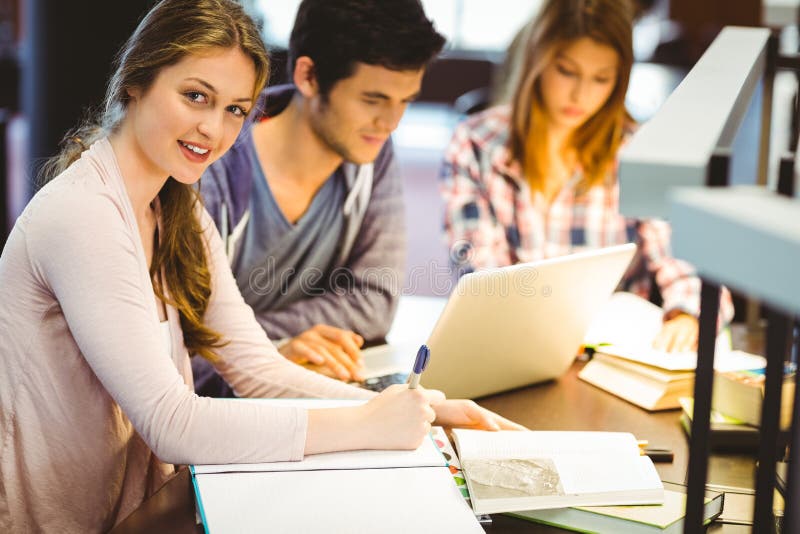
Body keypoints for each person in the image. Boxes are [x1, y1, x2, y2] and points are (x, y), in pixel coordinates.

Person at [0, 1, 521, 530]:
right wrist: (367, 422)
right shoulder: (84, 214)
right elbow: (172, 422)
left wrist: (418, 405)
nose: (213, 129)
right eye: (195, 96)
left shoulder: (174, 204)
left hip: (139, 507)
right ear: (136, 83)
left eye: (234, 110)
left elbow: (256, 368)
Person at [440, 0, 733, 353]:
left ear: (621, 79)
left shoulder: (637, 152)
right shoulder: (476, 144)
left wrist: (687, 315)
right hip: (515, 350)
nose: (580, 94)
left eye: (601, 78)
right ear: (538, 60)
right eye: (567, 71)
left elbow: (686, 264)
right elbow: (482, 283)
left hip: (611, 359)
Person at [194, 0, 446, 391]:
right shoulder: (213, 163)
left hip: (303, 386)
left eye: (405, 102)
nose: (391, 123)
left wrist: (250, 345)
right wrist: (264, 353)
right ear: (308, 76)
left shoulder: (370, 149)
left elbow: (374, 303)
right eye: (373, 100)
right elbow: (181, 346)